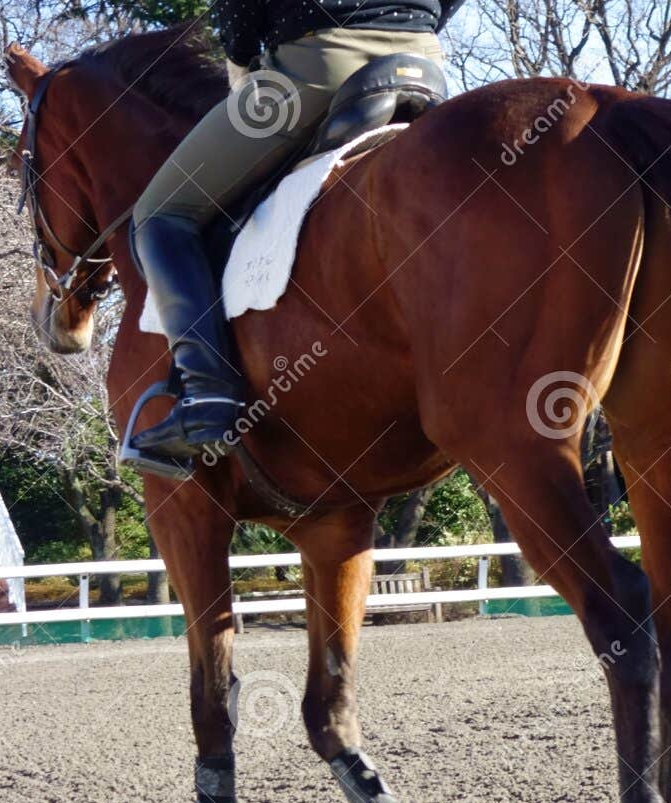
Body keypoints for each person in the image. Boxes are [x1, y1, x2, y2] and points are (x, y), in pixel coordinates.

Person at [127, 0, 461, 471]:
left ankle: (206, 401)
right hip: (424, 65)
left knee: (161, 214)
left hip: (318, 67)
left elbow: (238, 12)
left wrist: (241, 64)